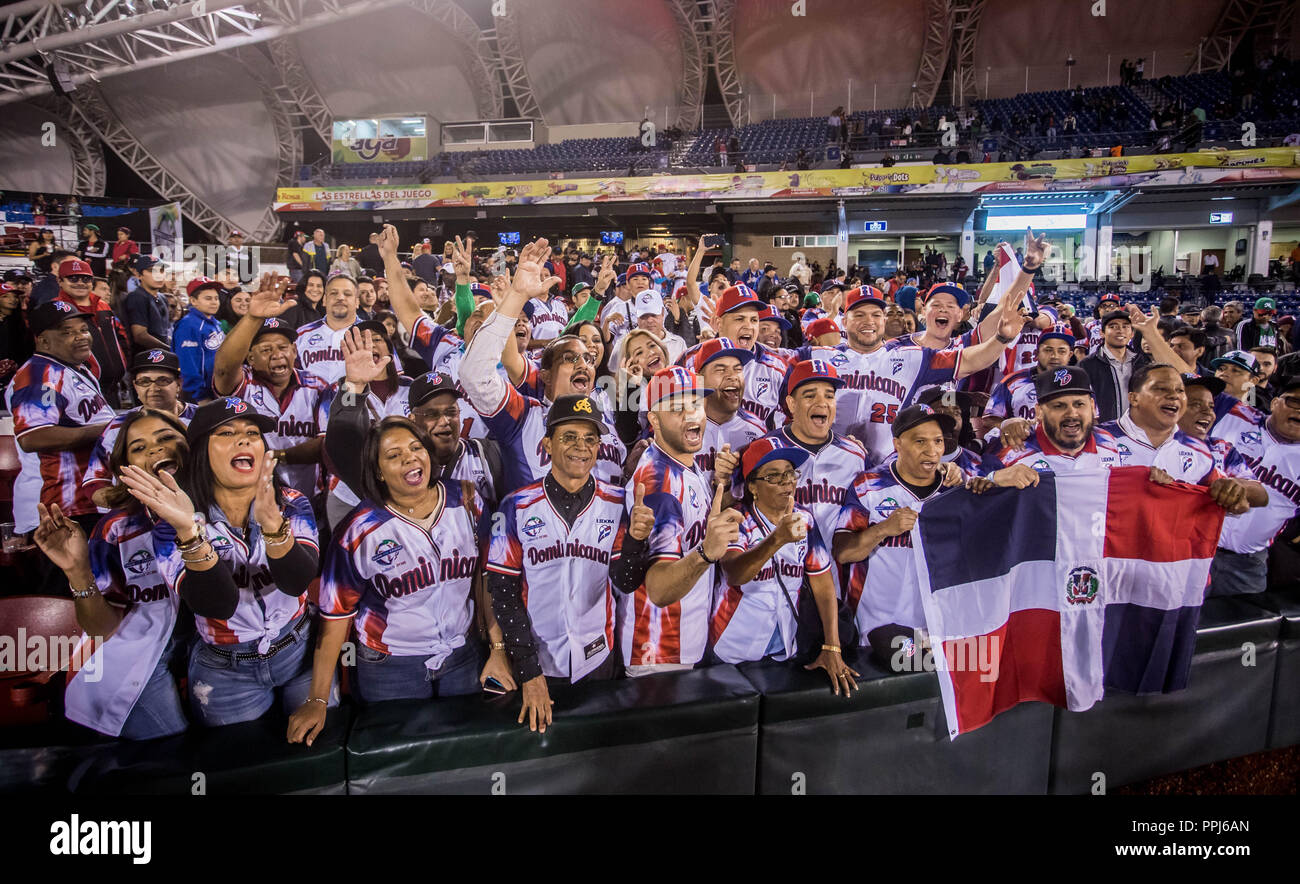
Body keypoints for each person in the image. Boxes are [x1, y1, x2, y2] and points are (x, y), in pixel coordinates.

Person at [119, 397, 327, 727]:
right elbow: (217, 604)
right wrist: (189, 532)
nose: (243, 440)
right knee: (239, 757)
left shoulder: (291, 502)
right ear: (202, 452)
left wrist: (274, 528)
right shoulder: (170, 525)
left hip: (299, 649)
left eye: (252, 433)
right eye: (227, 433)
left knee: (316, 747)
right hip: (226, 669)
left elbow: (296, 581)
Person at [487, 394, 651, 732]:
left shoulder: (618, 502)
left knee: (597, 746)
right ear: (547, 444)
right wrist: (528, 670)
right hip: (538, 661)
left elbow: (625, 582)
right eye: (569, 437)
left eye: (590, 439)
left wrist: (636, 541)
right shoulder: (515, 506)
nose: (582, 447)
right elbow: (502, 592)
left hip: (599, 657)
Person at [33, 408, 192, 739]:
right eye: (138, 447)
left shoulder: (227, 510)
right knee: (173, 747)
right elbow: (101, 628)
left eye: (166, 437)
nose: (155, 449)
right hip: (131, 659)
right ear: (126, 470)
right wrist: (78, 572)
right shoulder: (115, 530)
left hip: (208, 651)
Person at [458, 238, 626, 495]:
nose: (584, 364)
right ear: (544, 376)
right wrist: (515, 297)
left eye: (589, 359)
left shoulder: (605, 416)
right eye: (570, 358)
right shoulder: (525, 416)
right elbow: (475, 375)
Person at [620, 367, 745, 675]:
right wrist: (706, 553)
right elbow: (659, 589)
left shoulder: (682, 463)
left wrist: (721, 488)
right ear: (653, 419)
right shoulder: (658, 483)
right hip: (659, 649)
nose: (691, 415)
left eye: (696, 404)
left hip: (684, 637)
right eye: (677, 408)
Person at [712, 437, 857, 695]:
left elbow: (823, 584)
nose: (786, 482)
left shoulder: (805, 519)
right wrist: (777, 539)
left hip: (787, 645)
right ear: (753, 487)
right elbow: (734, 573)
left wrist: (832, 646)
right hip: (733, 645)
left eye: (790, 473)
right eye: (773, 476)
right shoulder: (736, 518)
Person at [326, 332, 502, 525]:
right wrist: (353, 386)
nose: (444, 421)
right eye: (432, 414)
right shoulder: (393, 463)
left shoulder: (487, 454)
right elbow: (342, 441)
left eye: (451, 412)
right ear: (412, 419)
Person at [832, 404, 958, 666]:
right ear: (897, 444)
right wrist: (883, 529)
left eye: (938, 441)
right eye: (920, 441)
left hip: (933, 629)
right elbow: (844, 553)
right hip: (872, 627)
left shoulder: (954, 491)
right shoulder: (869, 486)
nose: (932, 450)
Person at [6, 301, 118, 550]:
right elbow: (34, 437)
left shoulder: (73, 368)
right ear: (43, 341)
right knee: (71, 573)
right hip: (64, 506)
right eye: (67, 332)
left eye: (83, 329)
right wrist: (112, 428)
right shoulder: (40, 376)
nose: (81, 337)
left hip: (86, 499)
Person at [211, 275, 330, 500]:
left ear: (294, 351)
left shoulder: (317, 385)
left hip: (308, 497)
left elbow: (326, 444)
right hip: (251, 498)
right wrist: (253, 317)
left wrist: (276, 455)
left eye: (283, 347)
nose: (276, 355)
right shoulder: (244, 382)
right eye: (266, 350)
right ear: (250, 358)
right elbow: (224, 369)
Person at [1211, 374, 1300, 594]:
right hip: (1191, 547)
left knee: (1244, 617)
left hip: (1247, 564)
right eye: (1294, 402)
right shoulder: (1233, 413)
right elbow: (1181, 380)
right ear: (1275, 403)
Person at [84, 348, 199, 507]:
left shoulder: (203, 419)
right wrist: (138, 507)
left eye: (163, 380)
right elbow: (95, 484)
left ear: (179, 384)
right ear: (135, 387)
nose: (154, 388)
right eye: (144, 381)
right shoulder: (117, 426)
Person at [980, 368, 1121, 476]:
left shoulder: (1108, 442)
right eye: (1059, 406)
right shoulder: (1008, 452)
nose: (1072, 413)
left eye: (1079, 404)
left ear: (1092, 406)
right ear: (1039, 411)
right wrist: (993, 479)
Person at [679, 337, 767, 487]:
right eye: (721, 370)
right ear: (699, 380)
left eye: (738, 369)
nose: (732, 376)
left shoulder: (758, 431)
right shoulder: (678, 429)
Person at [53, 258, 130, 401]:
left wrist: (124, 361)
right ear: (60, 281)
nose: (80, 283)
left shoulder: (102, 305)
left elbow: (120, 335)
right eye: (73, 278)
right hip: (79, 391)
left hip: (113, 388)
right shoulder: (55, 310)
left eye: (85, 278)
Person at [983, 331, 1075, 428]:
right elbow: (989, 419)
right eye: (1048, 350)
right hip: (1022, 437)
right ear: (1036, 353)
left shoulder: (1078, 383)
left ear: (1070, 355)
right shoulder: (1013, 381)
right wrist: (1008, 426)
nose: (1055, 356)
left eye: (1062, 351)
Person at [293, 273, 361, 384]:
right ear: (324, 300)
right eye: (333, 293)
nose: (340, 298)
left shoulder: (372, 334)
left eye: (347, 294)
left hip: (357, 395)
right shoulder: (302, 334)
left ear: (357, 302)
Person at [173, 277, 226, 403]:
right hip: (198, 395)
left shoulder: (215, 323)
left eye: (216, 298)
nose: (214, 302)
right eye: (208, 298)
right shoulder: (188, 325)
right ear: (193, 301)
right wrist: (200, 396)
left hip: (215, 390)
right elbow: (187, 363)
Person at [1079, 309, 1138, 422]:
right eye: (1113, 326)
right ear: (1102, 333)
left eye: (1125, 326)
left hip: (1137, 429)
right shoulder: (1087, 364)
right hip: (1103, 429)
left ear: (1132, 334)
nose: (1120, 330)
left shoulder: (1141, 362)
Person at [122, 255, 173, 351]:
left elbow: (163, 335)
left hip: (163, 355)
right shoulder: (137, 297)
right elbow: (140, 336)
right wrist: (170, 350)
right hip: (146, 357)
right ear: (139, 275)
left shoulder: (163, 298)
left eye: (161, 270)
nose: (158, 275)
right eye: (151, 271)